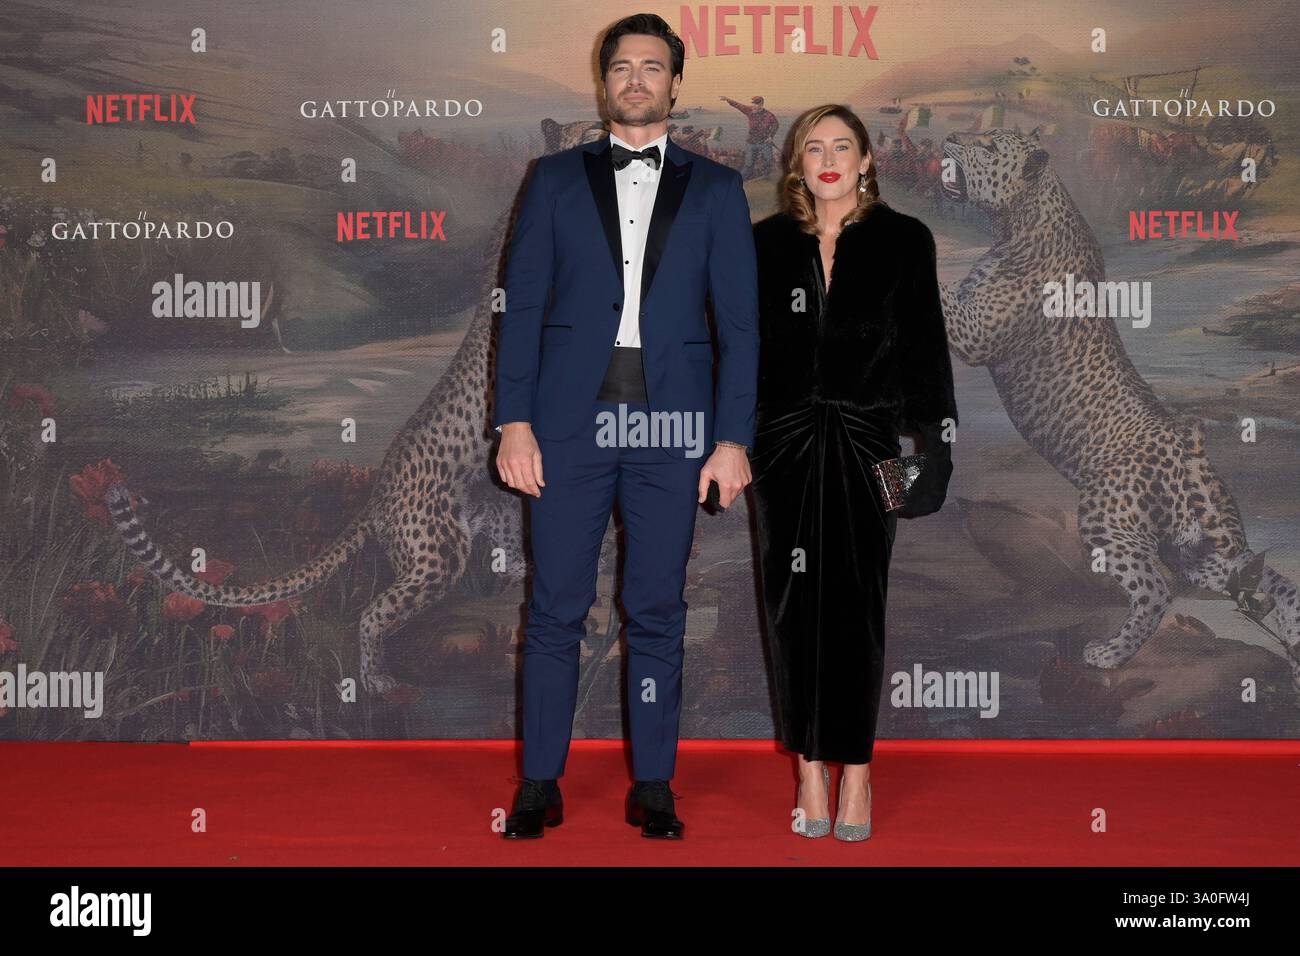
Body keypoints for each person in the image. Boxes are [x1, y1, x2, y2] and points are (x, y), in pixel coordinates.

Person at [493, 13, 759, 840]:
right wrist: (515, 423)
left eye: (653, 67)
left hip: (674, 429)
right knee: (555, 608)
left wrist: (732, 439)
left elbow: (743, 327)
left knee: (656, 606)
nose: (637, 79)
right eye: (622, 67)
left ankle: (653, 782)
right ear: (602, 81)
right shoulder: (552, 179)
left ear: (676, 84)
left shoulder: (716, 190)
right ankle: (540, 779)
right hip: (569, 427)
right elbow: (523, 310)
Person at [749, 104, 958, 842]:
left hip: (871, 439)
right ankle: (809, 762)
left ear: (867, 159)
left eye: (844, 145)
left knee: (858, 599)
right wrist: (732, 442)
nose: (829, 157)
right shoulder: (765, 244)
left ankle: (858, 768)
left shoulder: (906, 239)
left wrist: (934, 450)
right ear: (796, 163)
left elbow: (927, 349)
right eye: (815, 147)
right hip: (779, 441)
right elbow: (742, 354)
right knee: (789, 599)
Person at [721, 95, 779, 179]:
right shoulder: (749, 110)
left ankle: (766, 177)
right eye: (753, 103)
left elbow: (775, 125)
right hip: (751, 142)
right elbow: (738, 105)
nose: (754, 105)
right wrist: (728, 100)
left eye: (756, 104)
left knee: (768, 160)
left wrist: (771, 136)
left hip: (764, 142)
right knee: (748, 164)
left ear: (762, 104)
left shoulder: (769, 115)